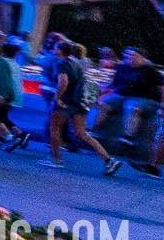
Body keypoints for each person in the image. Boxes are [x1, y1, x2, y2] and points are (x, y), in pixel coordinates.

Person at [48, 40, 123, 175]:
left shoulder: (61, 64)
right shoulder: (76, 65)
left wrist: (57, 97)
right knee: (82, 133)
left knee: (55, 129)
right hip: (79, 103)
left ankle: (56, 160)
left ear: (60, 51)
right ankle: (109, 159)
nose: (54, 50)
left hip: (65, 101)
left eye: (55, 48)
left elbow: (63, 82)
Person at [96, 46, 164, 175]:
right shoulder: (122, 68)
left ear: (141, 57)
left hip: (143, 99)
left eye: (133, 55)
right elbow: (112, 84)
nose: (129, 58)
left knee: (133, 108)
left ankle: (129, 138)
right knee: (105, 104)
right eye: (127, 55)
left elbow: (161, 87)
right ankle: (94, 132)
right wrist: (101, 92)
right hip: (123, 96)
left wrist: (162, 105)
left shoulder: (150, 71)